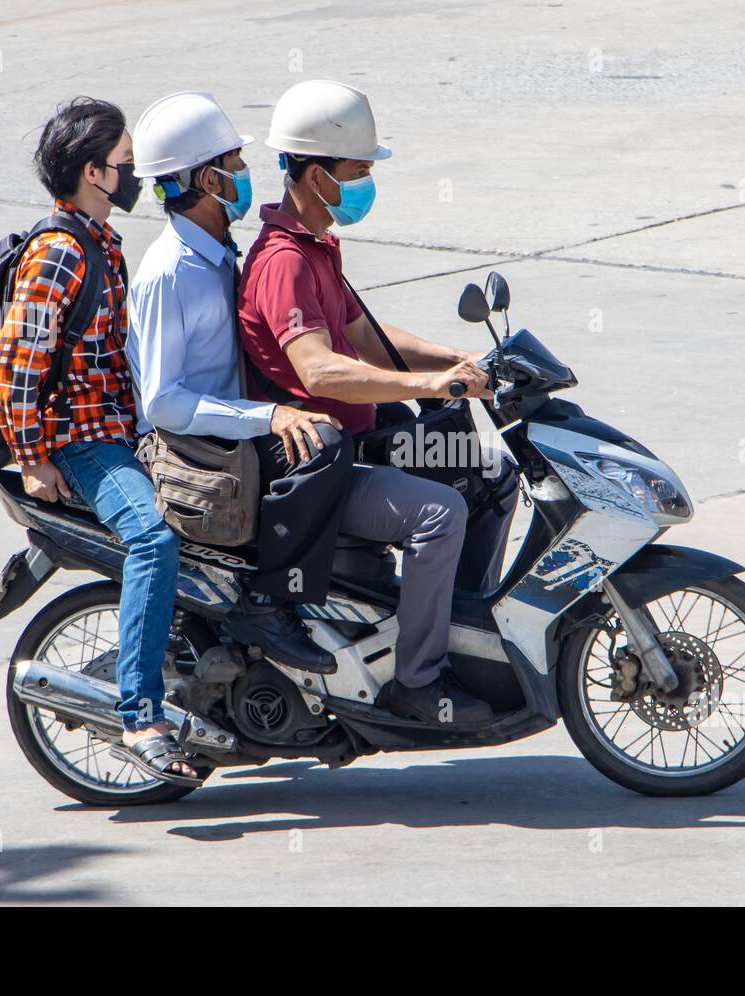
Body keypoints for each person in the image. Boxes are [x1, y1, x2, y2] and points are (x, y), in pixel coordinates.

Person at [238, 80, 518, 726]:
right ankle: (418, 681)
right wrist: (430, 386)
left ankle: (462, 632)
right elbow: (322, 370)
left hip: (353, 446)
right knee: (439, 514)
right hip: (312, 468)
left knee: (492, 475)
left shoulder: (317, 247)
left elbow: (369, 338)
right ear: (314, 175)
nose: (366, 182)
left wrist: (456, 361)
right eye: (357, 171)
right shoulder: (283, 263)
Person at [0, 97, 198, 785]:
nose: (136, 176)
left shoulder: (101, 242)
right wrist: (32, 459)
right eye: (126, 165)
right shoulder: (58, 252)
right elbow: (16, 364)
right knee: (152, 539)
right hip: (81, 445)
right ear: (92, 172)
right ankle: (141, 717)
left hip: (120, 432)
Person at [126, 91, 351, 675]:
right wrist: (270, 417)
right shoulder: (169, 273)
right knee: (324, 446)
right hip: (190, 442)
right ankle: (268, 604)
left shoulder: (220, 250)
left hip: (230, 421)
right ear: (206, 179)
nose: (245, 175)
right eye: (234, 165)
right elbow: (164, 401)